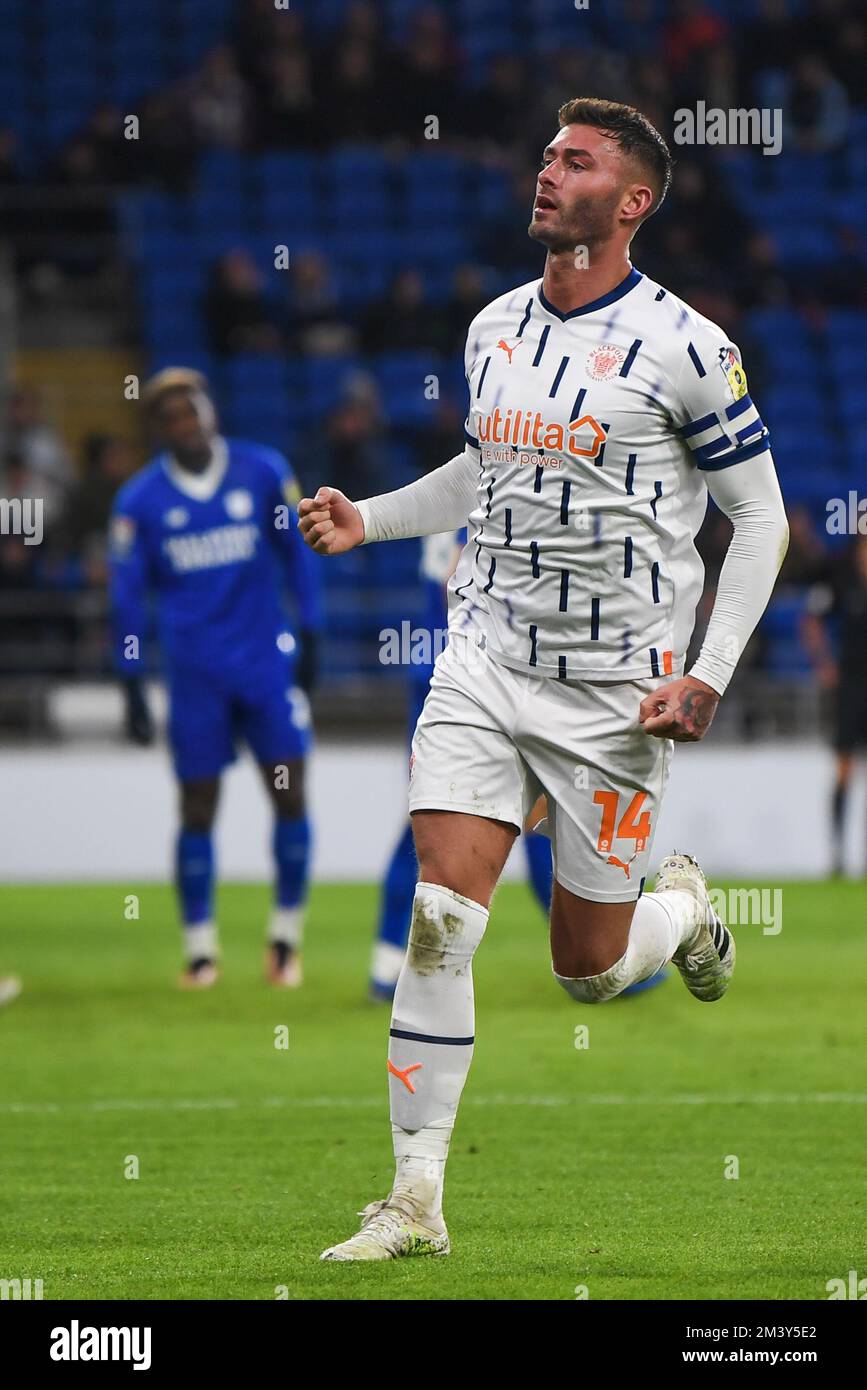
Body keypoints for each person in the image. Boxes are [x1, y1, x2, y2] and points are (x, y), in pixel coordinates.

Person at [300, 98, 788, 1261]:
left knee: (589, 971)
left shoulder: (689, 348)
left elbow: (759, 520)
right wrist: (367, 519)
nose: (545, 171)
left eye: (577, 162)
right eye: (546, 154)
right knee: (439, 918)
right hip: (483, 660)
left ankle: (682, 911)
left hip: (617, 693)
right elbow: (485, 470)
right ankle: (414, 1199)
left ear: (632, 203)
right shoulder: (492, 328)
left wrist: (708, 675)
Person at [370, 530, 667, 1002]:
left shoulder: (483, 489)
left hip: (450, 674)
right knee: (537, 825)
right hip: (487, 677)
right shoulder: (506, 494)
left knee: (433, 822)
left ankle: (390, 963)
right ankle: (616, 951)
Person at [109, 369, 322, 988]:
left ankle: (285, 941)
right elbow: (127, 599)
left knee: (290, 792)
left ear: (211, 413)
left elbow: (299, 554)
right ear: (159, 430)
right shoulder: (140, 501)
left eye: (192, 411)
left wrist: (311, 631)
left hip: (263, 667)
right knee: (197, 808)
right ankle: (200, 952)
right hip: (194, 679)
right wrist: (130, 680)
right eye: (172, 418)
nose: (186, 424)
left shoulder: (262, 472)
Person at [803, 535, 867, 876]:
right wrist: (824, 664)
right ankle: (838, 853)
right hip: (852, 686)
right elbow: (811, 620)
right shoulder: (842, 578)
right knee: (844, 769)